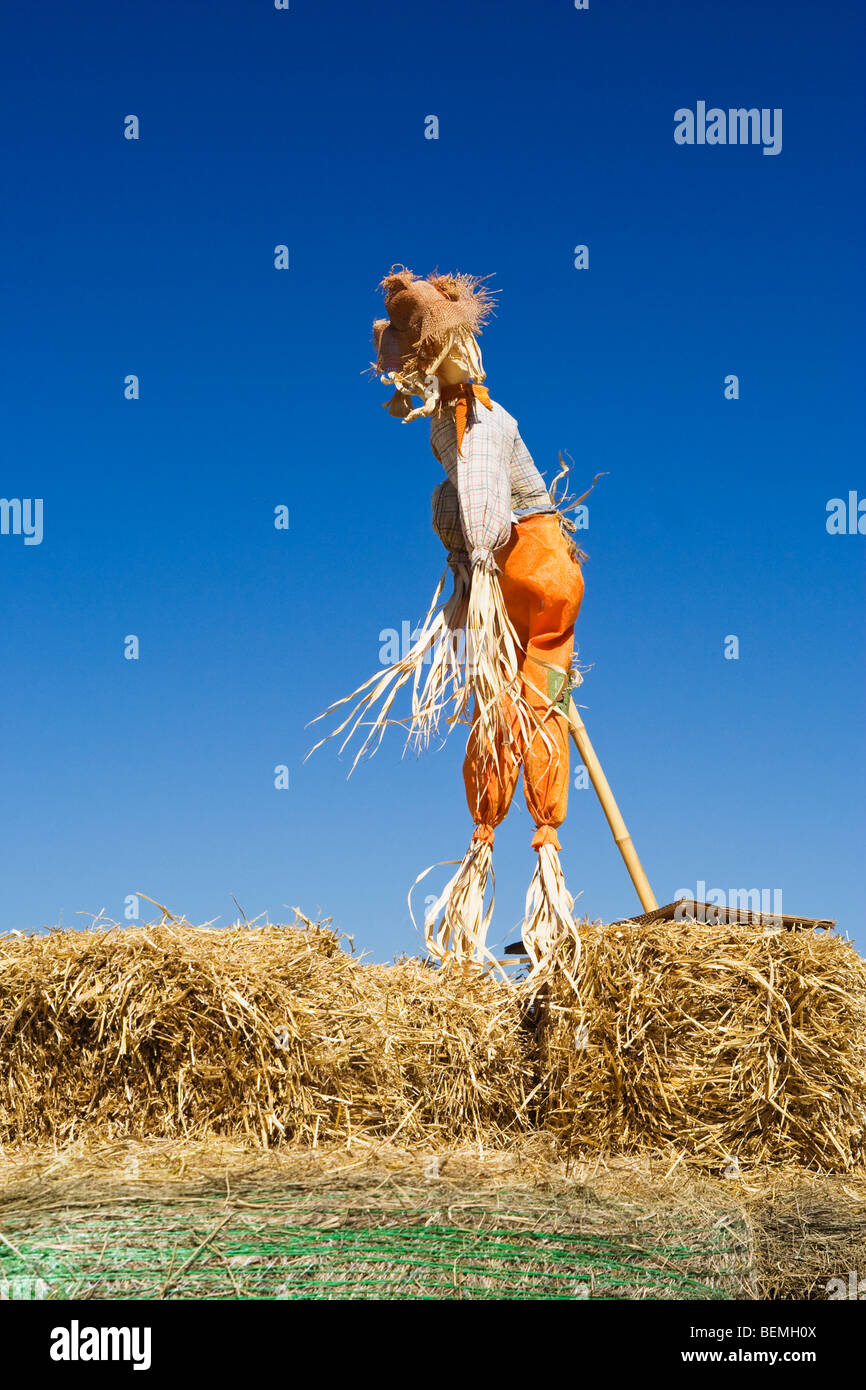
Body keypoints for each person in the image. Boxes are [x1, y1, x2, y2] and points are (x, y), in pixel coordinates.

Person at [314, 268, 586, 979]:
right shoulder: (474, 417)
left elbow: (479, 502)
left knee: (498, 708)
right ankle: (540, 842)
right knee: (537, 700)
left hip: (507, 563)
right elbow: (473, 499)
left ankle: (499, 843)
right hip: (536, 568)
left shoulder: (471, 422)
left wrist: (474, 572)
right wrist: (476, 569)